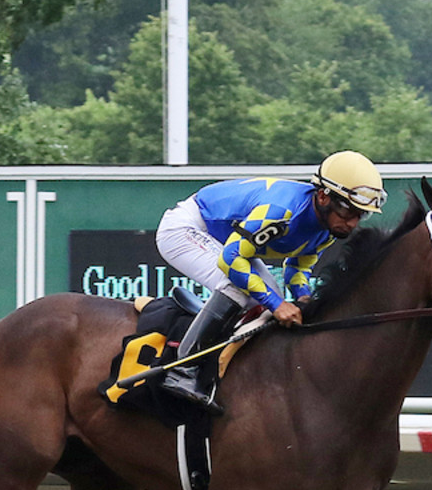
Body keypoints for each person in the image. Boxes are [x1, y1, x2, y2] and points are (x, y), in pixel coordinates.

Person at [154, 150, 387, 413]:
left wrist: (304, 300)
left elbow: (297, 269)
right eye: (347, 210)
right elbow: (230, 259)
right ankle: (183, 369)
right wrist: (277, 304)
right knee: (241, 288)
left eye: (361, 215)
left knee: (267, 293)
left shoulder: (327, 230)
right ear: (323, 196)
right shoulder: (281, 212)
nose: (352, 223)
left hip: (222, 239)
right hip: (187, 228)